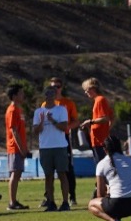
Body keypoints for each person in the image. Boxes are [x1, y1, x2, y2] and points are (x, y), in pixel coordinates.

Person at [88, 139, 131, 221]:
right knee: (128, 195)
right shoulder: (130, 160)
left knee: (91, 204)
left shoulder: (102, 164)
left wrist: (108, 192)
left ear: (105, 149)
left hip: (119, 204)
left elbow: (100, 194)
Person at [31, 84, 73, 211]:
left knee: (62, 174)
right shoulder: (38, 112)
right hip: (45, 148)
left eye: (51, 94)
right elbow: (35, 131)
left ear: (55, 96)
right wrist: (42, 123)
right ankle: (51, 202)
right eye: (47, 94)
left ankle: (65, 202)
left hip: (59, 147)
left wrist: (52, 120)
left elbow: (65, 127)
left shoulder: (61, 109)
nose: (49, 97)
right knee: (48, 176)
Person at [46, 76, 80, 206]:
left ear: (61, 88)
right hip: (49, 140)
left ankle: (72, 196)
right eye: (52, 87)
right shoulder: (45, 104)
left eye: (57, 86)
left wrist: (66, 128)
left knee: (67, 168)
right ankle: (48, 197)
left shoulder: (68, 103)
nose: (55, 89)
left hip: (63, 138)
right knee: (49, 169)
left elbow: (76, 121)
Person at [3, 83, 31, 210]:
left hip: (19, 147)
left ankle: (14, 201)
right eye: (20, 93)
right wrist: (21, 149)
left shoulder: (19, 109)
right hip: (14, 147)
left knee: (18, 173)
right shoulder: (12, 110)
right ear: (14, 96)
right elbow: (14, 131)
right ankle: (12, 203)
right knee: (15, 174)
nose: (23, 95)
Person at [82, 78, 115, 153]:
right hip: (97, 140)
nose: (85, 92)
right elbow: (112, 117)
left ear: (93, 88)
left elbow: (105, 118)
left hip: (100, 141)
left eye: (86, 89)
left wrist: (90, 122)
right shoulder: (98, 100)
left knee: (101, 163)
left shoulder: (100, 100)